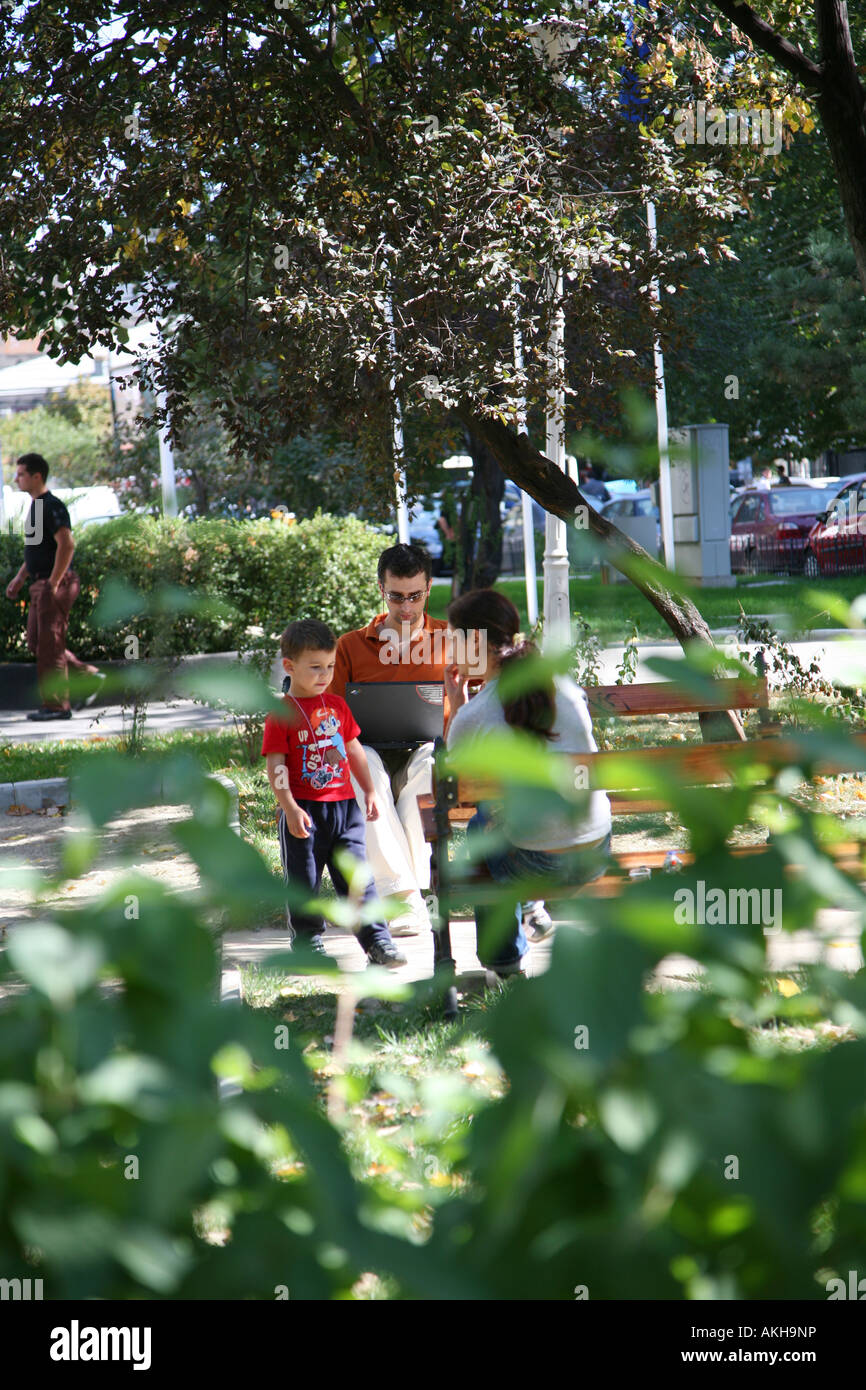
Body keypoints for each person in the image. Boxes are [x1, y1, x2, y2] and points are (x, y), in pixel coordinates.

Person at [444, 589, 612, 979]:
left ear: (474, 643)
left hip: (539, 862)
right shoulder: (566, 687)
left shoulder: (475, 714)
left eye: (453, 639)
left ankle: (505, 964)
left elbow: (455, 786)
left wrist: (457, 703)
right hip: (596, 850)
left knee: (479, 830)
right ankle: (533, 911)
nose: (448, 649)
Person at [262, 618, 407, 967]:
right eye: (315, 667)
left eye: (329, 666)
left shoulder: (338, 707)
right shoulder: (281, 713)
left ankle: (378, 943)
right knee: (304, 881)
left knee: (358, 878)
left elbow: (355, 751)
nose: (324, 674)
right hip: (304, 812)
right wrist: (290, 807)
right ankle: (308, 942)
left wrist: (369, 790)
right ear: (289, 666)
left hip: (345, 809)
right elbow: (276, 767)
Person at [330, 543, 448, 936]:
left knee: (428, 771)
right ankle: (405, 898)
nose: (407, 607)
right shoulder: (350, 646)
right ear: (381, 589)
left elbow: (476, 703)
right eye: (396, 596)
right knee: (361, 769)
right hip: (371, 751)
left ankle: (406, 898)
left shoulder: (452, 639)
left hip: (427, 748)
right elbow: (331, 715)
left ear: (429, 587)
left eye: (415, 595)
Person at [4, 453, 102, 720]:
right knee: (38, 642)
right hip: (40, 583)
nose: (16, 478)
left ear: (37, 476)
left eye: (21, 473)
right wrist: (21, 577)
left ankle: (57, 707)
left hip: (55, 583)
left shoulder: (52, 505)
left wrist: (55, 582)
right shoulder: (35, 507)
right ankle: (90, 676)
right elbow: (37, 550)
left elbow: (67, 545)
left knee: (50, 645)